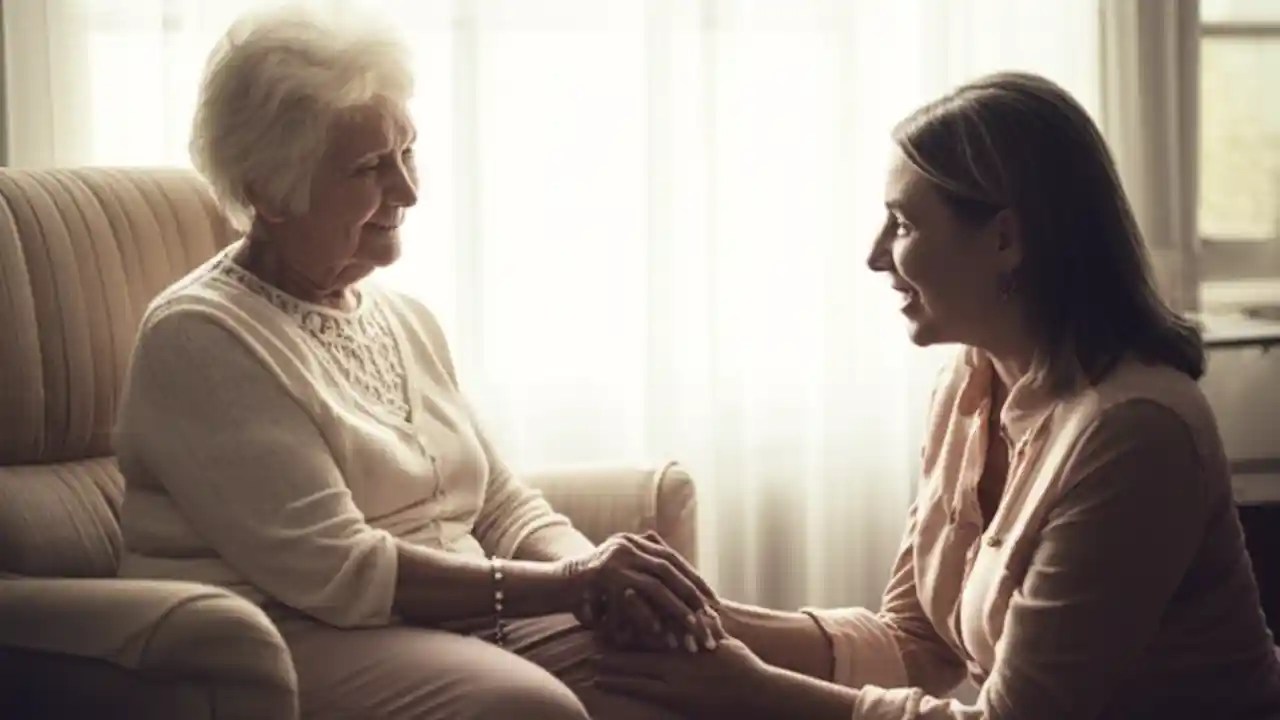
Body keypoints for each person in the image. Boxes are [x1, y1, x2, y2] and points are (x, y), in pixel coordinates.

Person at [595, 72, 1280, 719]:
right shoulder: (968, 384)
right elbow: (914, 642)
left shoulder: (1134, 431)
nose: (874, 255)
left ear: (1007, 239)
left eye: (903, 224)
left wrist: (752, 692)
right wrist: (700, 613)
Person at [113, 6, 715, 719]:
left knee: (699, 667)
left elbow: (501, 503)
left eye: (408, 152)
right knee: (526, 709)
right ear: (272, 191)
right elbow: (343, 571)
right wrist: (571, 584)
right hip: (282, 635)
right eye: (371, 167)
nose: (408, 190)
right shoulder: (202, 337)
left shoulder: (402, 317)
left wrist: (602, 582)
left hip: (453, 622)